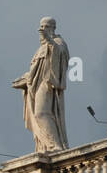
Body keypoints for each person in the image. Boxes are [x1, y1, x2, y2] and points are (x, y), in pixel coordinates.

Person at [13, 16, 70, 151]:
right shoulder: (40, 49)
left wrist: (50, 41)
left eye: (45, 26)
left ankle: (55, 146)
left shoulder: (59, 42)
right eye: (41, 27)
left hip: (48, 83)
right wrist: (25, 79)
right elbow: (35, 70)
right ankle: (45, 146)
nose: (42, 29)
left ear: (52, 28)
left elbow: (61, 56)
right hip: (36, 85)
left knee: (42, 113)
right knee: (38, 115)